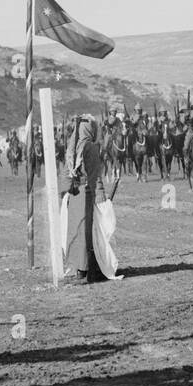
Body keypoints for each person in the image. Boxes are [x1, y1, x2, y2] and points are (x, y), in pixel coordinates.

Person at [62, 116, 107, 282]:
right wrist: (101, 196)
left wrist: (66, 192)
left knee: (75, 229)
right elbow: (95, 176)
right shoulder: (91, 147)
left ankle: (78, 268)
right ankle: (89, 268)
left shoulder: (72, 147)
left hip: (74, 194)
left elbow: (65, 173)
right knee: (88, 232)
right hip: (87, 193)